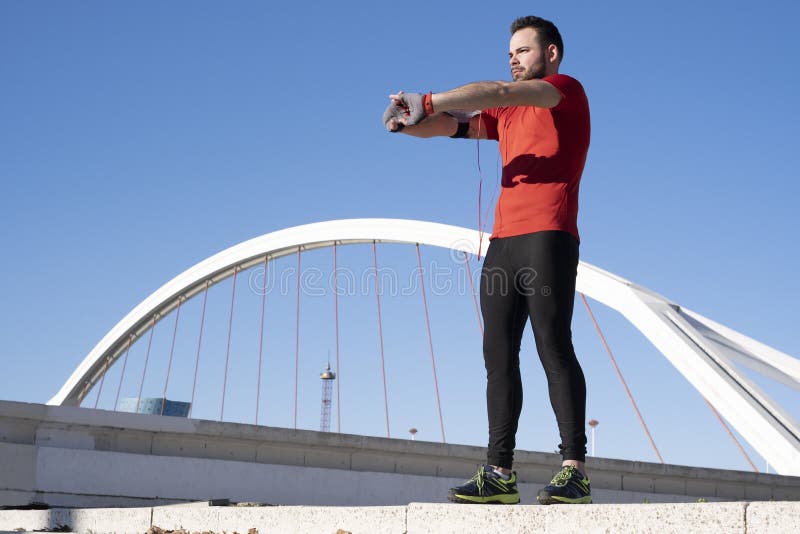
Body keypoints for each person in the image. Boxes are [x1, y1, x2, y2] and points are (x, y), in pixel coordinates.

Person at [382, 15, 591, 505]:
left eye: (522, 50)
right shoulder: (509, 114)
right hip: (502, 244)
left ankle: (574, 470)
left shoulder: (562, 91)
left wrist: (428, 98)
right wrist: (406, 122)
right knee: (497, 355)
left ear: (552, 53)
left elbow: (495, 91)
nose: (514, 58)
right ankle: (499, 472)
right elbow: (448, 128)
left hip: (549, 235)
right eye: (510, 53)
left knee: (552, 346)